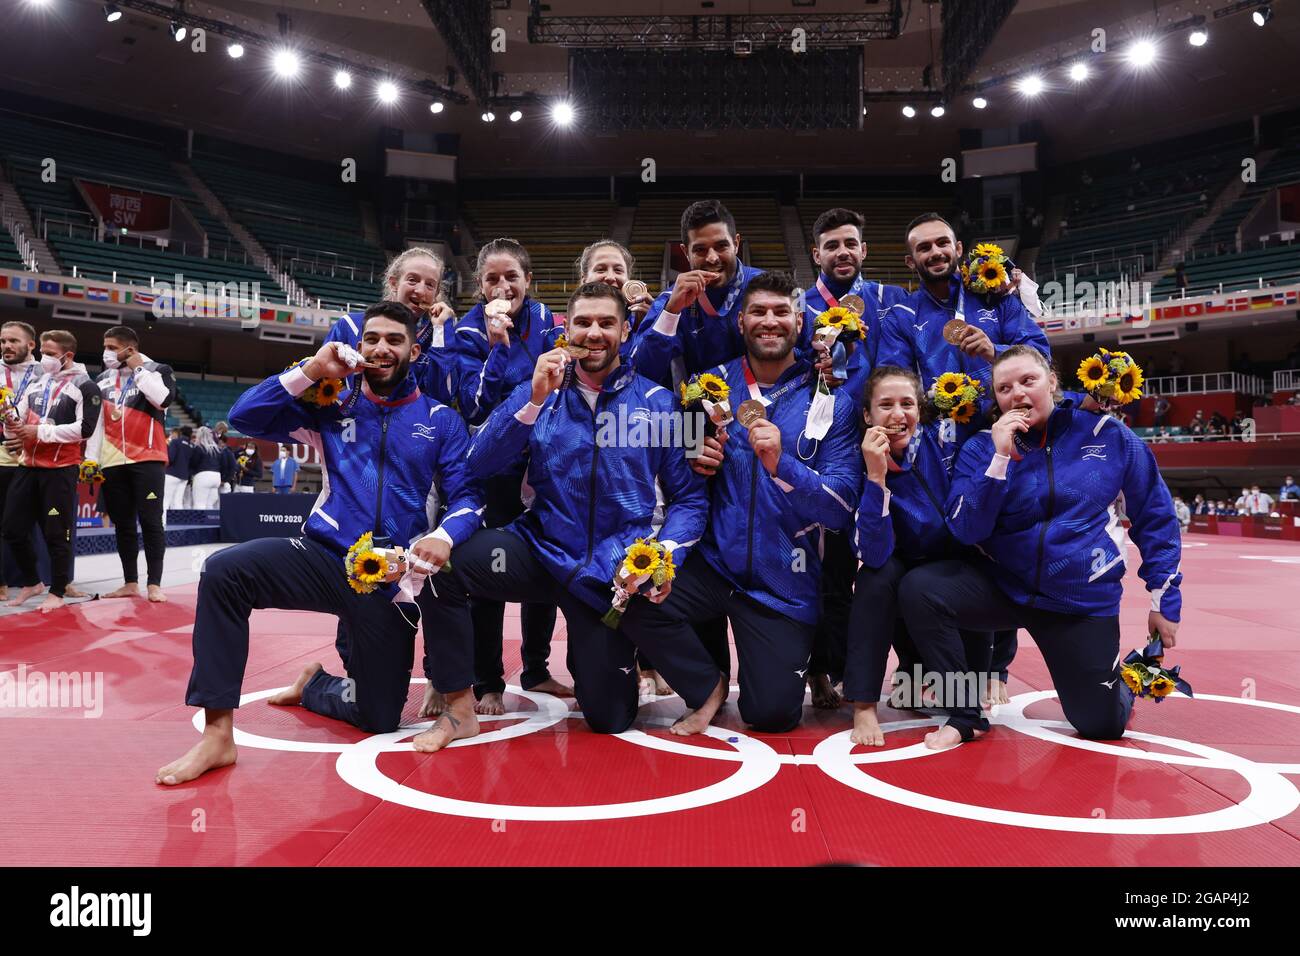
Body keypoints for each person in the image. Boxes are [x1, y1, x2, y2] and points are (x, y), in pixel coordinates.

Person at [156, 302, 484, 787]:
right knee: (225, 572)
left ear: (414, 350)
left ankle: (316, 684)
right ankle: (218, 735)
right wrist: (311, 369)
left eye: (394, 340)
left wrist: (441, 535)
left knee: (380, 716)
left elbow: (469, 498)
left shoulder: (441, 421)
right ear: (359, 346)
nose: (381, 348)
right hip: (323, 556)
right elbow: (244, 417)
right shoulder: (331, 406)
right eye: (372, 338)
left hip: (390, 578)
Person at [459, 281, 727, 735]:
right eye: (583, 322)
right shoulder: (539, 391)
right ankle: (455, 698)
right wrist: (532, 400)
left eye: (607, 322)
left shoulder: (662, 405)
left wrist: (663, 556)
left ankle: (702, 679)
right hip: (542, 552)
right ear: (567, 332)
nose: (595, 332)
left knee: (607, 718)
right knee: (446, 564)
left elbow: (689, 500)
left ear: (626, 332)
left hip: (614, 570)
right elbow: (479, 462)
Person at [899, 346, 1182, 750]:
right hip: (1006, 589)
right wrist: (999, 460)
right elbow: (965, 529)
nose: (1017, 393)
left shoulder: (1109, 436)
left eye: (1028, 381)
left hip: (1079, 602)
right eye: (1004, 388)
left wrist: (1164, 600)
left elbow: (1156, 517)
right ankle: (964, 716)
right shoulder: (982, 447)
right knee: (920, 589)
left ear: (1052, 381)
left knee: (1101, 724)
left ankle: (1122, 674)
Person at [625, 271, 862, 733]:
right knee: (627, 591)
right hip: (713, 564)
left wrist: (782, 467)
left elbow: (840, 507)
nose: (768, 321)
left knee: (771, 715)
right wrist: (692, 454)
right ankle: (706, 686)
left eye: (780, 312)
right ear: (740, 321)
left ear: (799, 321)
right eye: (758, 311)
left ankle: (793, 666)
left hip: (782, 580)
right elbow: (680, 472)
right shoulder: (704, 385)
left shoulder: (833, 402)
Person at [844, 365, 997, 746]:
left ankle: (956, 684)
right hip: (898, 562)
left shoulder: (946, 439)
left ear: (920, 408)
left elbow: (1012, 402)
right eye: (886, 405)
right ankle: (863, 705)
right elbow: (872, 553)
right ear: (867, 415)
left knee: (974, 569)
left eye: (907, 404)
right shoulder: (855, 462)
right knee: (873, 580)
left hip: (957, 565)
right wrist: (877, 478)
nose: (899, 415)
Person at [800, 207, 910, 708]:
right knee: (825, 572)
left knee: (893, 562)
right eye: (831, 245)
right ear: (815, 254)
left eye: (850, 243)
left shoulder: (890, 302)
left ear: (864, 251)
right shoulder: (800, 308)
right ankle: (822, 669)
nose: (842, 252)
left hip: (890, 447)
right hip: (824, 451)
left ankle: (914, 670)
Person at [452, 237, 567, 715]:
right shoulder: (467, 332)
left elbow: (562, 380)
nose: (503, 286)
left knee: (544, 564)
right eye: (493, 279)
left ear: (527, 281)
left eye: (511, 277)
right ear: (480, 286)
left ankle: (537, 668)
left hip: (544, 465)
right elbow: (475, 406)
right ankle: (487, 679)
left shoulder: (547, 321)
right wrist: (498, 349)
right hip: (494, 467)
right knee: (489, 573)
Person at [875, 213, 1050, 404]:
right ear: (910, 261)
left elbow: (1041, 356)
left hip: (1007, 419)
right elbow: (890, 384)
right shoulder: (901, 316)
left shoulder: (995, 295)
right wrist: (931, 399)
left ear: (958, 249)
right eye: (924, 248)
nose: (935, 252)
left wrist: (995, 352)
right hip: (942, 426)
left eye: (942, 243)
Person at [631, 199, 803, 390]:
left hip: (770, 407)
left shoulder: (774, 288)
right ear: (685, 252)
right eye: (700, 250)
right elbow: (643, 373)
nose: (712, 258)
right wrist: (671, 312)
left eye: (721, 246)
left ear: (736, 243)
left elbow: (810, 349)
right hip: (699, 413)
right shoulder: (669, 300)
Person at [2, 330, 101, 613]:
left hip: (60, 469)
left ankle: (57, 590)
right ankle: (32, 582)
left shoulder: (85, 386)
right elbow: (17, 422)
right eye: (42, 351)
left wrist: (40, 431)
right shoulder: (34, 382)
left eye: (49, 353)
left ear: (67, 356)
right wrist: (9, 420)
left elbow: (85, 429)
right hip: (28, 466)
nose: (43, 358)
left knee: (56, 534)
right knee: (11, 529)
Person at [85, 325, 176, 603]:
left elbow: (163, 400)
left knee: (150, 522)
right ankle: (130, 582)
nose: (107, 352)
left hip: (147, 457)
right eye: (105, 346)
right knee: (122, 524)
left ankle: (154, 584)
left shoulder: (158, 369)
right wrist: (91, 458)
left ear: (130, 349)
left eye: (112, 347)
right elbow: (98, 423)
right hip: (112, 461)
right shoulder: (101, 379)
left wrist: (139, 370)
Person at [324, 246, 459, 406]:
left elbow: (443, 398)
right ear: (394, 283)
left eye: (430, 285)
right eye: (412, 280)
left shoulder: (437, 335)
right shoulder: (350, 326)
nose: (421, 291)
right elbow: (320, 388)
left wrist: (441, 331)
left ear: (436, 294)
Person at [0, 321, 42, 604]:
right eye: (3, 341)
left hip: (37, 455)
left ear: (31, 345)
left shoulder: (46, 373)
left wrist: (30, 438)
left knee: (50, 523)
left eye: (13, 341)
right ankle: (2, 582)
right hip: (2, 455)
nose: (6, 346)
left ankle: (61, 581)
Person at [576, 239, 654, 333]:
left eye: (618, 270)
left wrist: (644, 330)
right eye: (600, 269)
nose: (610, 277)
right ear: (584, 278)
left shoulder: (651, 327)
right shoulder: (561, 334)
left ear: (628, 279)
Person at [188, 427, 225, 509]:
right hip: (216, 477)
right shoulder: (217, 449)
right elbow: (222, 464)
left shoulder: (199, 447)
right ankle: (210, 522)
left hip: (203, 476)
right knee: (209, 505)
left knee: (199, 504)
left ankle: (198, 521)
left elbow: (194, 463)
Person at [165, 426, 193, 511]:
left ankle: (163, 523)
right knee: (178, 501)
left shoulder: (175, 442)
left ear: (180, 432)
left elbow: (171, 458)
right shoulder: (191, 446)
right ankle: (178, 523)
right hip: (184, 476)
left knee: (166, 501)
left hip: (172, 474)